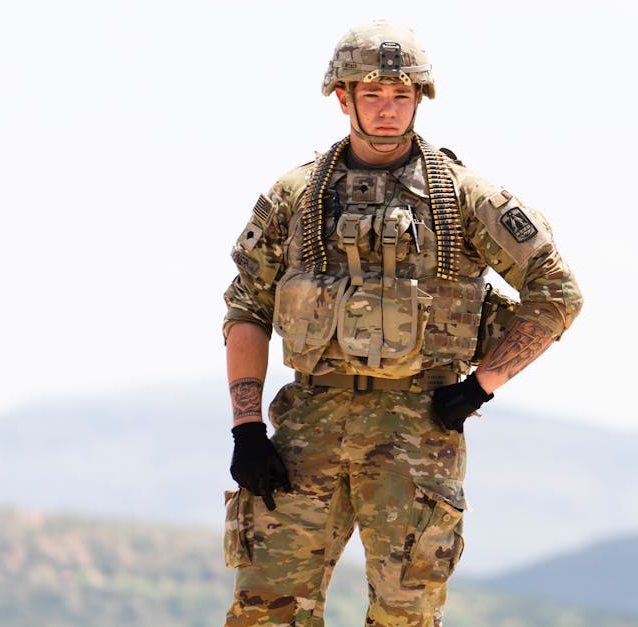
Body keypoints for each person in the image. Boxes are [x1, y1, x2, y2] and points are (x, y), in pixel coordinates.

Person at [220, 19, 582, 627]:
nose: (388, 110)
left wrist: (480, 385)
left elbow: (557, 291)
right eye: (372, 95)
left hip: (418, 431)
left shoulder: (464, 197)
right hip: (308, 425)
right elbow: (247, 308)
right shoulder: (296, 196)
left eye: (401, 95)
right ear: (343, 98)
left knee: (405, 616)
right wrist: (247, 428)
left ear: (419, 98)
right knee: (265, 611)